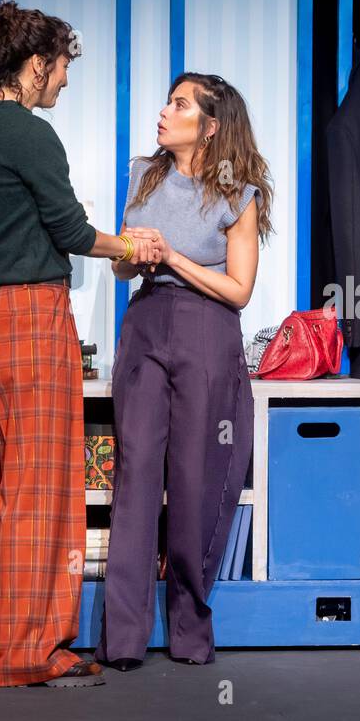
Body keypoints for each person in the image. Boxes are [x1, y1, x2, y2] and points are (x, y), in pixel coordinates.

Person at [0, 0, 164, 688]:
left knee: (5, 485)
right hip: (30, 315)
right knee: (43, 492)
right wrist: (134, 245)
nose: (67, 82)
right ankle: (30, 651)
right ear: (37, 64)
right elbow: (73, 233)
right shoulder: (27, 133)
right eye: (64, 68)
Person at [95, 72, 273, 668]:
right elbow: (121, 270)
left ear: (211, 124)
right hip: (146, 323)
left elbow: (240, 290)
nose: (163, 112)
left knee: (196, 482)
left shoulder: (237, 194)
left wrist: (171, 254)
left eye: (179, 104)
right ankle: (122, 638)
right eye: (168, 101)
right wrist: (133, 255)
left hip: (206, 332)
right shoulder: (143, 175)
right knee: (136, 472)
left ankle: (190, 632)